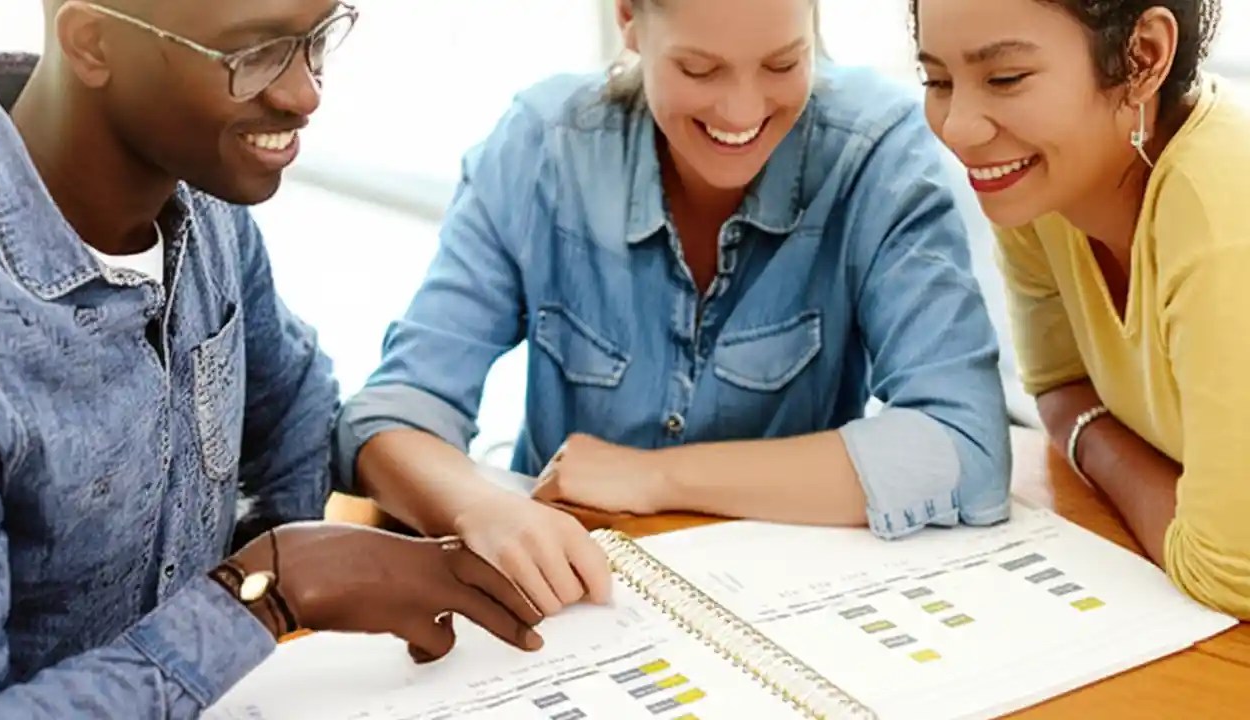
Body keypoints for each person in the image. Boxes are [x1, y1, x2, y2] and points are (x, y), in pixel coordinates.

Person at [337, 0, 1014, 618]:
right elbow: (391, 417)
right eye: (699, 69)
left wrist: (653, 477)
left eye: (783, 63)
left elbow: (966, 447)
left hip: (787, 609)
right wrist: (482, 507)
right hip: (571, 613)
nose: (741, 110)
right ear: (629, 18)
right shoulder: (543, 145)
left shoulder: (878, 154)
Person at [0, 1, 544, 716]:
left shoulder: (199, 197)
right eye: (253, 54)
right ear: (92, 44)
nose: (305, 93)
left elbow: (296, 400)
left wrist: (274, 582)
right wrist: (264, 593)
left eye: (316, 39)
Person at [913, 0, 1250, 617]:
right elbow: (1057, 386)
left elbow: (1232, 569)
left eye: (1006, 78)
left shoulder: (1224, 220)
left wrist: (1091, 439)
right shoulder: (1038, 188)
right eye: (937, 80)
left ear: (1142, 57)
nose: (957, 127)